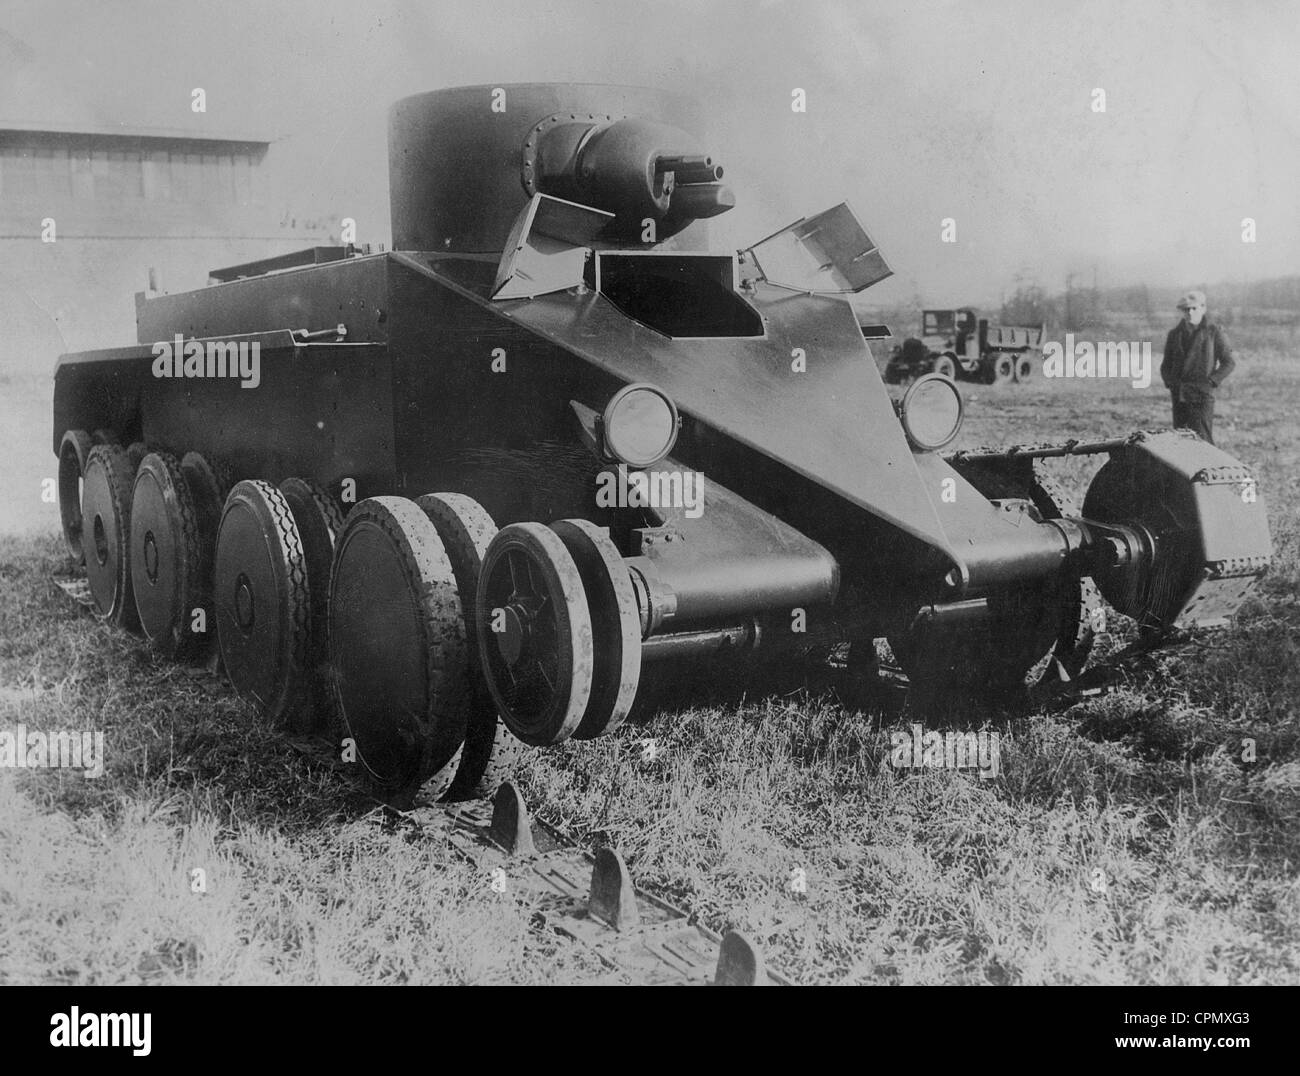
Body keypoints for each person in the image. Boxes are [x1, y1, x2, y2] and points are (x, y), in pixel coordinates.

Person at [1159, 289, 1235, 444]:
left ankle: (1210, 469)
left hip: (1202, 396)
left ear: (1203, 308)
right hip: (1179, 396)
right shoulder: (1174, 334)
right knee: (1181, 441)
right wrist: (1171, 383)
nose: (1190, 313)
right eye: (1186, 309)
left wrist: (1211, 382)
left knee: (1203, 441)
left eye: (1194, 308)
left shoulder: (1214, 332)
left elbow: (1229, 362)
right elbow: (1166, 365)